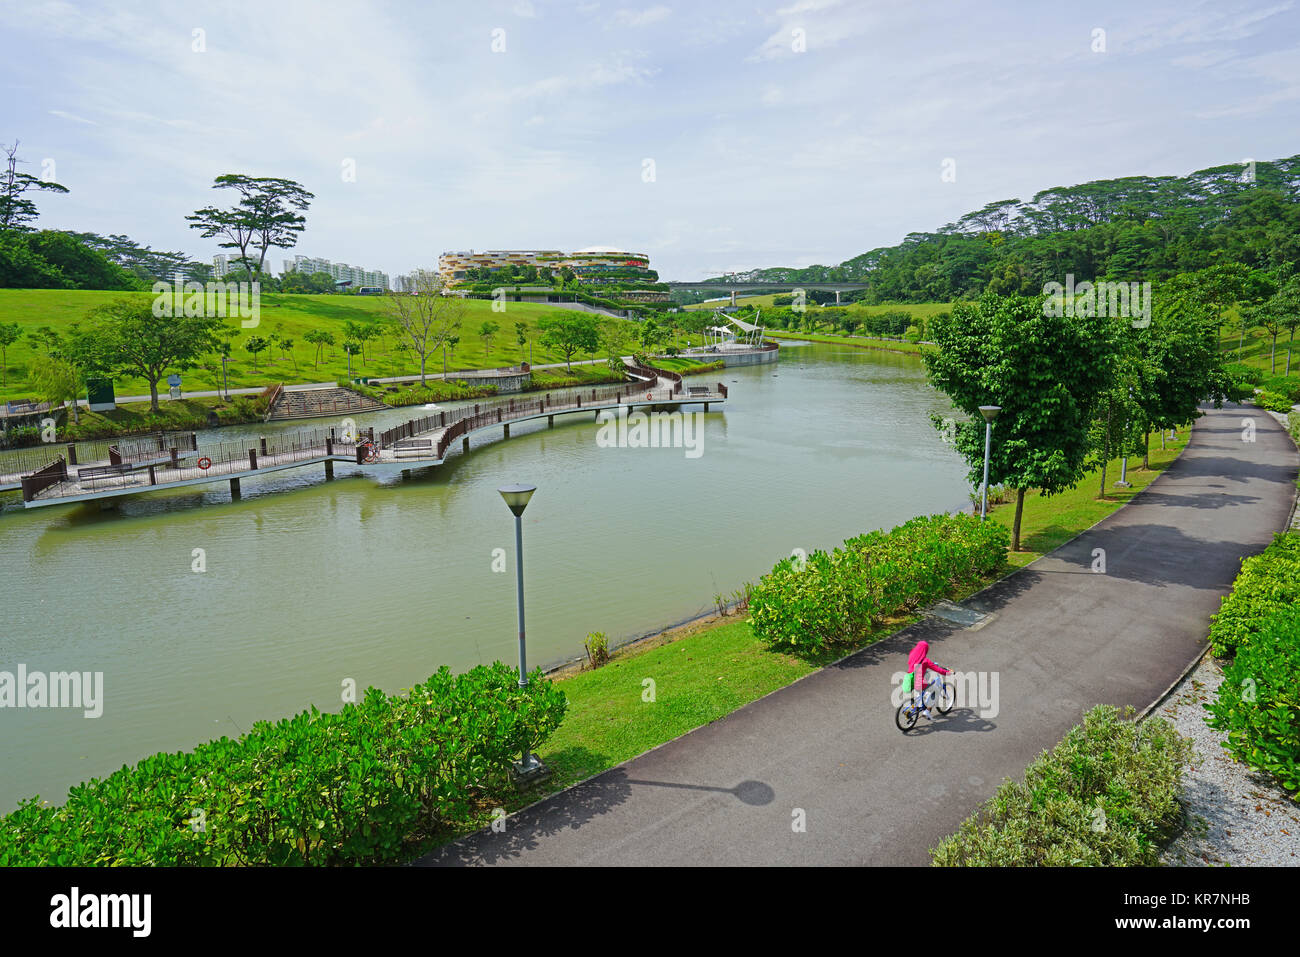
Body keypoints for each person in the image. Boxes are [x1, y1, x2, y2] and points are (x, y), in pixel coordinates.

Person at [906, 640, 950, 719]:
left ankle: (916, 704)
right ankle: (927, 711)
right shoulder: (926, 661)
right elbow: (939, 670)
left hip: (909, 679)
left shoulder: (912, 654)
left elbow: (916, 665)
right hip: (919, 682)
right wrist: (948, 672)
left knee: (925, 677)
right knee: (936, 690)